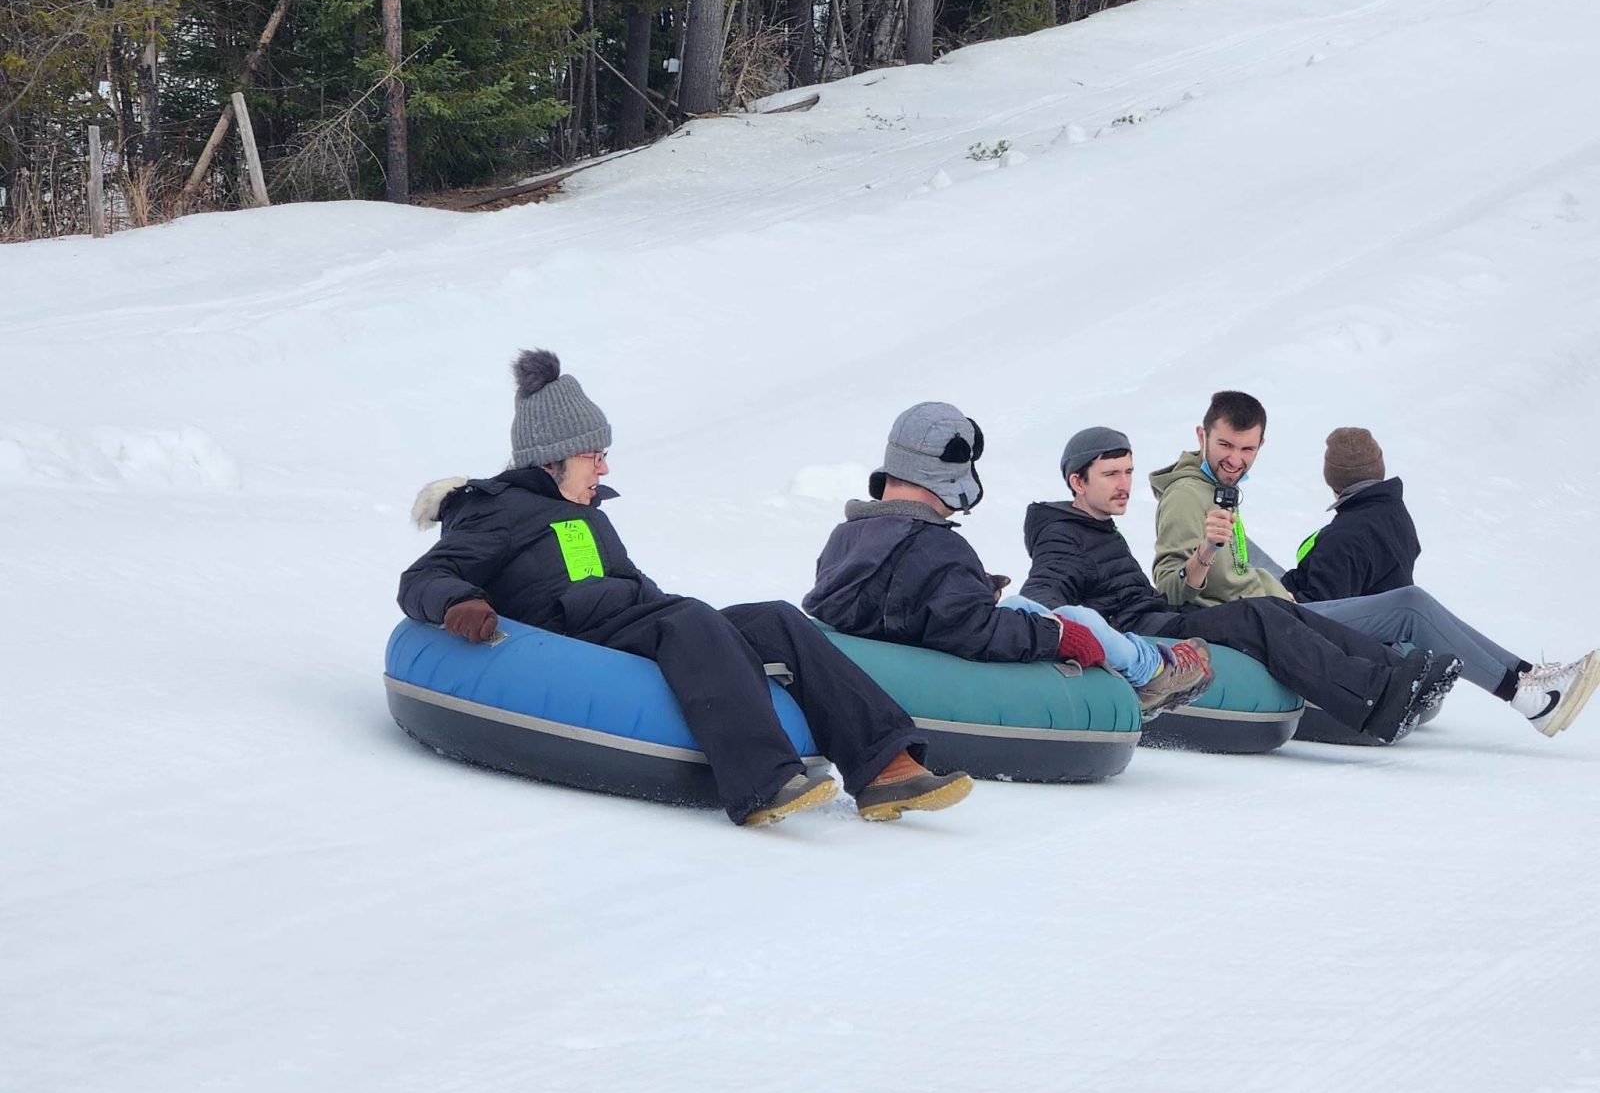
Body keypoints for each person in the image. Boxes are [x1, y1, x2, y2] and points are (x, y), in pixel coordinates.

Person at [398, 349, 973, 826]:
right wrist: (458, 601)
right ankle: (762, 784)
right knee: (689, 619)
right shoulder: (498, 510)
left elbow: (623, 583)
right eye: (594, 456)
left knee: (774, 617)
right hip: (580, 635)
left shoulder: (582, 511)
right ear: (553, 458)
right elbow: (425, 576)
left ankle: (886, 769)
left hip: (633, 617)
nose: (604, 470)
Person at [1148, 391, 1598, 736]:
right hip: (1264, 620)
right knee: (1410, 606)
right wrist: (1211, 555)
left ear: (1261, 444)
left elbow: (1238, 570)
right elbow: (1170, 589)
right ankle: (1528, 697)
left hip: (1276, 604)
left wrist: (1269, 582)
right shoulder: (1187, 495)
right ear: (1201, 436)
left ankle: (1529, 676)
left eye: (1247, 449)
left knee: (1409, 604)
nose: (1236, 459)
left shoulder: (1217, 491)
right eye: (1226, 444)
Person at [1021, 427, 1455, 745]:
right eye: (1110, 475)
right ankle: (1372, 700)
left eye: (1128, 472)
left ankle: (1399, 675)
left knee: (1280, 608)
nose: (1124, 485)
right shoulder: (1062, 535)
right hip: (1149, 635)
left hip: (1163, 615)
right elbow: (1044, 591)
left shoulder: (1097, 528)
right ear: (1077, 481)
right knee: (1261, 614)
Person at [802, 402, 1213, 713]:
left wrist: (974, 587)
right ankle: (1153, 672)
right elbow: (975, 630)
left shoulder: (847, 535)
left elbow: (897, 599)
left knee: (1036, 608)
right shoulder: (932, 544)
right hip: (945, 665)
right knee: (1078, 619)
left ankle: (1148, 665)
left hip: (906, 647)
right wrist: (1058, 636)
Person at [1281, 427, 1419, 603]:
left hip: (1358, 628)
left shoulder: (1342, 538)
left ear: (1332, 479)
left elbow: (1319, 611)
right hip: (1388, 621)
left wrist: (1288, 598)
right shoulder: (1395, 512)